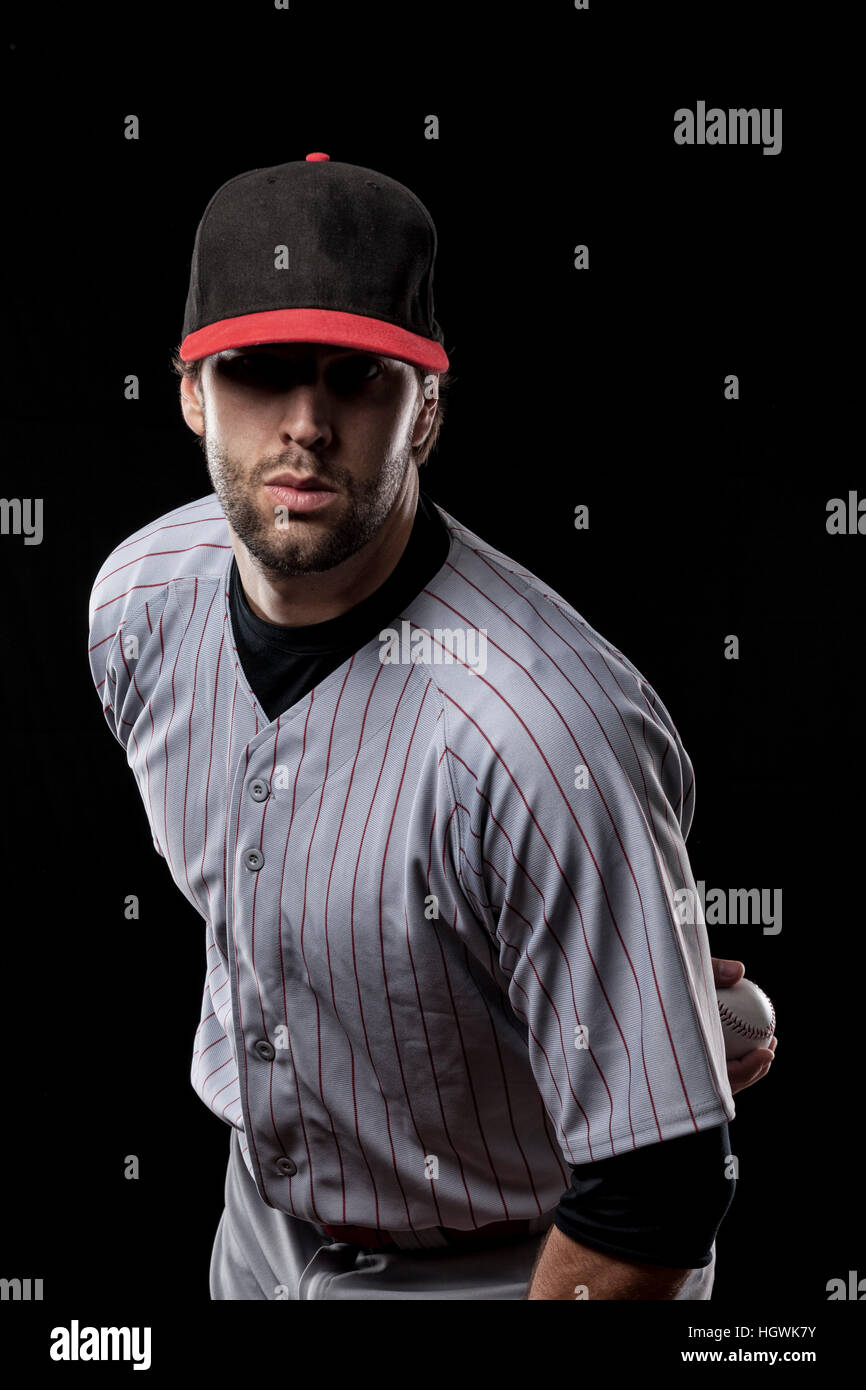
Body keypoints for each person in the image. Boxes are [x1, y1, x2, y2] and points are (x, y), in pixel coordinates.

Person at [87, 153, 776, 1301]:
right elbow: (270, 896)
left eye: (358, 376)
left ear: (428, 410)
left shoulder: (544, 732)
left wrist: (622, 1015)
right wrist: (551, 996)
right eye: (257, 370)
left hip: (505, 1265)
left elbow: (651, 1200)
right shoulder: (136, 610)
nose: (306, 425)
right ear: (190, 390)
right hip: (255, 1230)